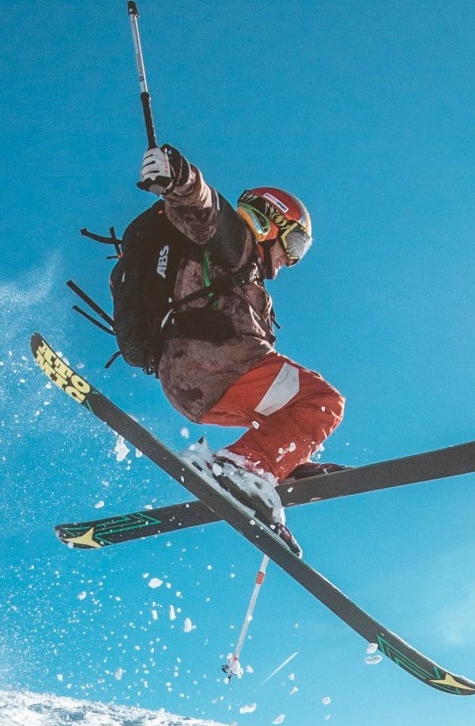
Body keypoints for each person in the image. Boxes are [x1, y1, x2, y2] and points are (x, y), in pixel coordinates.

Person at [139, 144, 344, 553]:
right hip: (216, 363)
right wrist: (178, 177)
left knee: (290, 407)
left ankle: (278, 460)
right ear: (269, 221)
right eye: (296, 244)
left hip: (195, 383)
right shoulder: (235, 241)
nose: (291, 260)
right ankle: (245, 466)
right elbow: (202, 208)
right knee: (323, 400)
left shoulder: (249, 278)